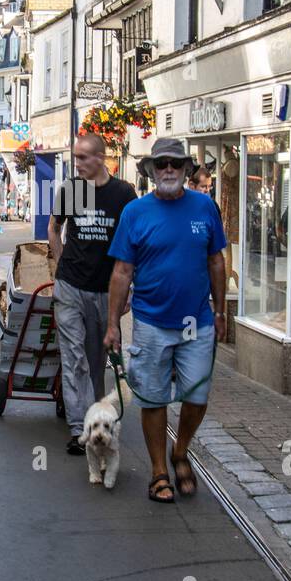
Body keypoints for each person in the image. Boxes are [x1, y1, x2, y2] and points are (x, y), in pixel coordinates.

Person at [104, 137, 227, 503]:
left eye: (176, 163)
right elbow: (122, 271)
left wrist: (221, 312)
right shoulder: (135, 213)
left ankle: (181, 450)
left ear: (187, 169)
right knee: (154, 399)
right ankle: (159, 471)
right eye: (162, 164)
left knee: (197, 395)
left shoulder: (205, 207)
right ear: (151, 171)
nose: (169, 170)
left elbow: (216, 261)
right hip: (151, 322)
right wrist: (113, 324)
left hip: (198, 322)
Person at [49, 133, 137, 456]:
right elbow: (54, 227)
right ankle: (79, 428)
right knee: (75, 358)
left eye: (84, 158)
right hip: (71, 285)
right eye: (76, 158)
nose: (78, 164)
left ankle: (97, 416)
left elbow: (134, 243)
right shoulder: (74, 189)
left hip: (106, 289)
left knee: (97, 360)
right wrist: (61, 265)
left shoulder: (123, 194)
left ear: (102, 158)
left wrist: (131, 286)